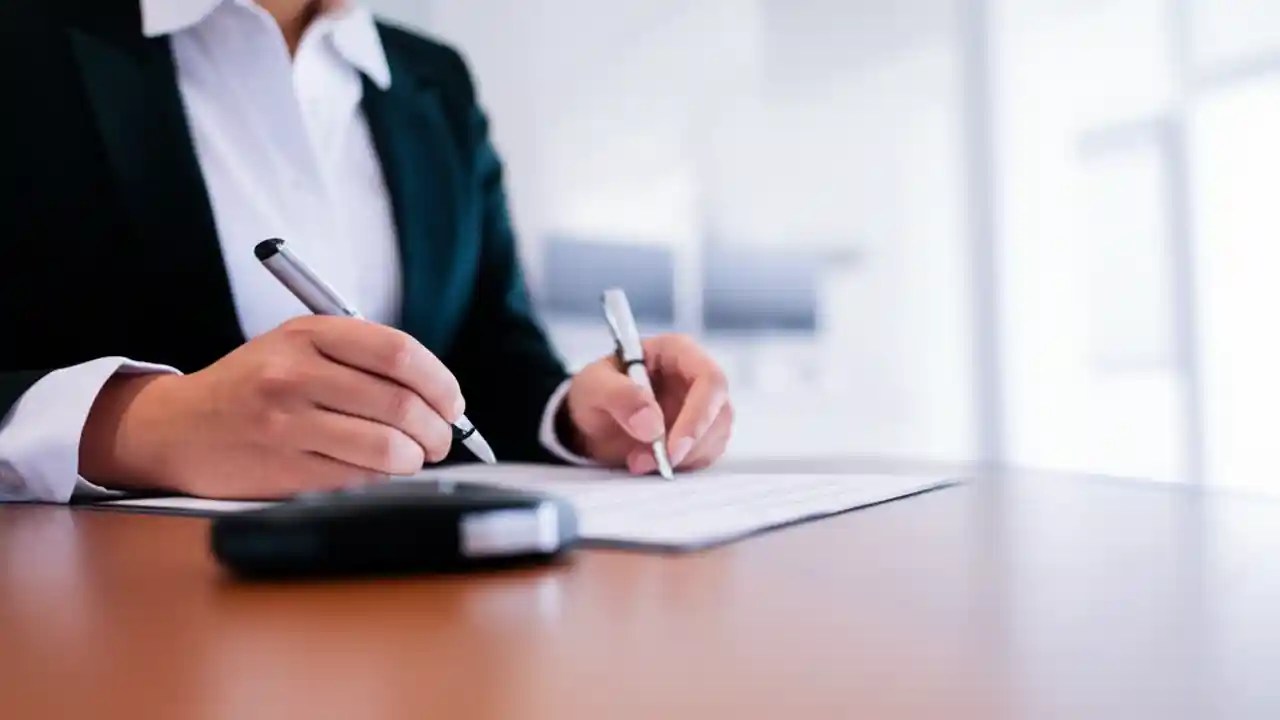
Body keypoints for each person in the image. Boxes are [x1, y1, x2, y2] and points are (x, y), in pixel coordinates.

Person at [0, 0, 733, 502]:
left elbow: (489, 352)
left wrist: (577, 414)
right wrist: (139, 428)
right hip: (112, 625)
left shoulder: (434, 80)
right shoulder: (24, 42)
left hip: (415, 610)